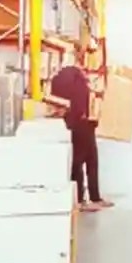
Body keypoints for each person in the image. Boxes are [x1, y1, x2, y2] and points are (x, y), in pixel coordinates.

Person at [50, 46, 113, 212]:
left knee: (82, 161)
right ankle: (85, 199)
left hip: (74, 123)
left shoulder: (61, 77)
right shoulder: (75, 77)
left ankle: (87, 198)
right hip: (82, 123)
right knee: (84, 161)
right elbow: (79, 102)